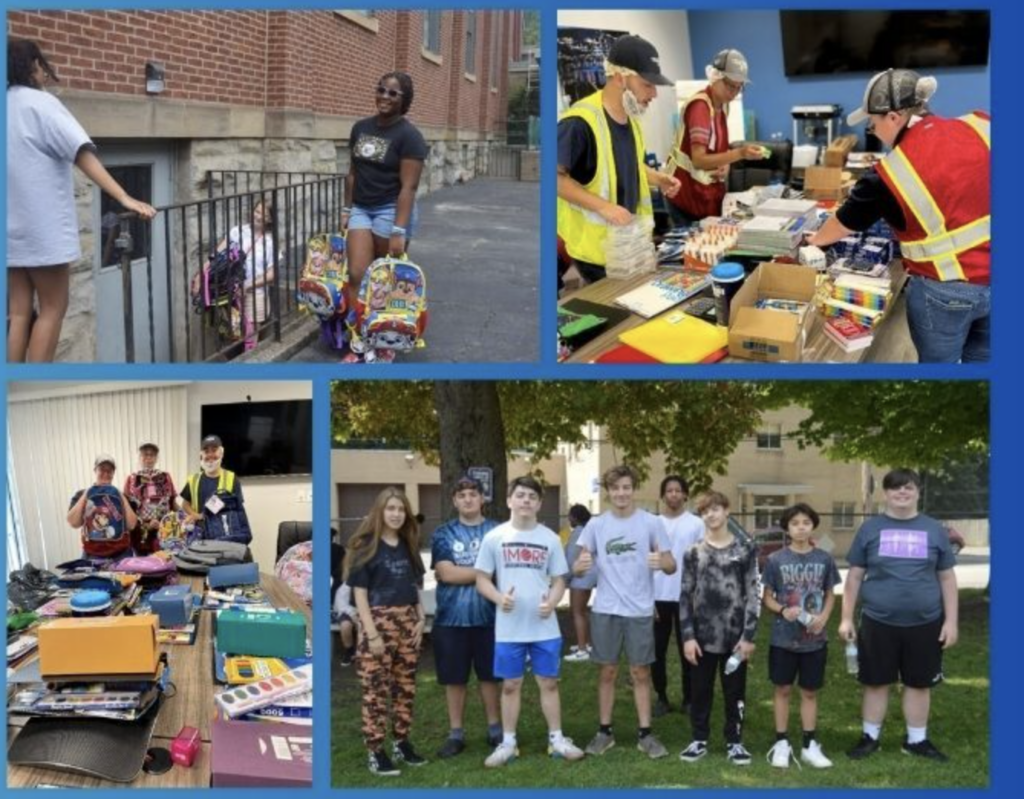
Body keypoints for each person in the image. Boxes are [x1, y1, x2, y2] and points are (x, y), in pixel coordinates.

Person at [806, 69, 990, 363]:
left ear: (894, 116)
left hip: (945, 290)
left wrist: (814, 240)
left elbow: (843, 223)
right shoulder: (981, 124)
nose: (872, 130)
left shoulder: (891, 173)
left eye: (873, 123)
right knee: (983, 367)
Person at [7, 39, 157, 363]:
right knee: (52, 309)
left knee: (18, 314)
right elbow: (81, 152)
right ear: (32, 66)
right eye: (41, 66)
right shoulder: (40, 104)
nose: (45, 74)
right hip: (41, 229)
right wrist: (123, 196)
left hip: (11, 231)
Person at [838, 468, 958, 762]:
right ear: (886, 493)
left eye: (908, 488)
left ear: (918, 492)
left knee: (919, 683)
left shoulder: (934, 530)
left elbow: (946, 578)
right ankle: (870, 737)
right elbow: (854, 577)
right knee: (876, 681)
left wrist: (951, 621)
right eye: (895, 488)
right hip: (878, 621)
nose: (902, 493)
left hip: (926, 622)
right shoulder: (870, 529)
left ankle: (917, 741)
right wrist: (846, 618)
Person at [474, 475, 584, 767]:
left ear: (538, 503)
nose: (526, 500)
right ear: (510, 500)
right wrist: (499, 598)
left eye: (532, 497)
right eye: (520, 495)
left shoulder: (548, 538)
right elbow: (481, 579)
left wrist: (552, 601)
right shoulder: (495, 537)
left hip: (544, 627)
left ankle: (557, 739)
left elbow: (560, 579)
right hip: (509, 628)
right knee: (510, 684)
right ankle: (508, 742)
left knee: (548, 682)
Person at [557, 34, 682, 283]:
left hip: (629, 245)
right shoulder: (579, 123)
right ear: (620, 77)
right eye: (647, 84)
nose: (654, 94)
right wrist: (605, 207)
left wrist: (658, 178)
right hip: (597, 254)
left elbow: (626, 166)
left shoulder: (630, 120)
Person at [573, 464, 676, 760]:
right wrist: (579, 566)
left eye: (626, 487)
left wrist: (663, 563)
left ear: (634, 489)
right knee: (607, 671)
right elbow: (580, 562)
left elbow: (671, 565)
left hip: (640, 610)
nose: (621, 493)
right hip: (605, 609)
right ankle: (604, 732)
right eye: (616, 488)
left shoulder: (651, 523)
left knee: (640, 672)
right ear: (608, 492)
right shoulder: (596, 525)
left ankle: (645, 734)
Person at [342, 71, 428, 363]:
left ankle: (384, 343)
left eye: (393, 93)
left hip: (390, 209)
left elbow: (409, 186)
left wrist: (398, 229)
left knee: (383, 279)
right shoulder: (360, 128)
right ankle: (360, 339)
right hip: (361, 209)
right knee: (356, 274)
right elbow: (353, 172)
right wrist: (346, 209)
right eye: (381, 90)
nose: (385, 96)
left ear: (404, 100)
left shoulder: (410, 136)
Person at [345, 488, 429, 776]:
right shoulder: (365, 546)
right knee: (376, 691)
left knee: (405, 688)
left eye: (401, 509)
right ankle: (376, 750)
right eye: (391, 508)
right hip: (377, 623)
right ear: (380, 511)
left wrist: (421, 620)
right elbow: (359, 595)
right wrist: (372, 635)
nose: (396, 514)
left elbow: (416, 586)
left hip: (408, 623)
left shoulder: (409, 544)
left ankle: (402, 742)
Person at [678, 491, 760, 766]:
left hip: (735, 638)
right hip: (702, 638)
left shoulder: (745, 550)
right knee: (700, 690)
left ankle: (735, 741)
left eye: (715, 509)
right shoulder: (692, 553)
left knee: (734, 692)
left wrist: (748, 637)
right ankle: (699, 739)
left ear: (727, 511)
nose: (711, 515)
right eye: (705, 511)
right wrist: (688, 637)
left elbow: (752, 594)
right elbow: (685, 596)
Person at [762, 503, 841, 769]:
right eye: (795, 523)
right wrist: (783, 610)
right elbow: (767, 598)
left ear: (813, 526)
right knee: (782, 689)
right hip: (783, 638)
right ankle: (781, 742)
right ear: (787, 528)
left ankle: (809, 744)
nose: (800, 527)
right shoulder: (775, 560)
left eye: (806, 522)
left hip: (814, 639)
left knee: (809, 691)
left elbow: (831, 593)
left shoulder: (824, 558)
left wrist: (824, 617)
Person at [430, 475, 503, 758]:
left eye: (473, 494)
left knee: (489, 677)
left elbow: (504, 570)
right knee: (455, 679)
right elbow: (446, 573)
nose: (468, 499)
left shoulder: (497, 531)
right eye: (462, 495)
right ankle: (456, 734)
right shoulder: (443, 533)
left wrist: (466, 573)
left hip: (491, 617)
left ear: (482, 498)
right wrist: (486, 571)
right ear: (454, 501)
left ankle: (495, 729)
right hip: (451, 619)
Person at [664, 48, 767, 227]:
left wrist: (725, 164)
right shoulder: (700, 108)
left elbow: (718, 150)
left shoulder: (722, 106)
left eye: (739, 87)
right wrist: (740, 153)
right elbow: (699, 160)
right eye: (730, 85)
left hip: (706, 195)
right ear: (715, 77)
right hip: (686, 196)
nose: (734, 92)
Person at [196, 198, 279, 351]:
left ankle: (250, 366)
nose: (259, 217)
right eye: (257, 211)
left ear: (270, 220)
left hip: (255, 293)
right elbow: (216, 255)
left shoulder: (270, 241)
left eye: (265, 215)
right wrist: (200, 275)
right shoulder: (237, 231)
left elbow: (272, 274)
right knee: (233, 332)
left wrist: (248, 285)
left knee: (250, 334)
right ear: (252, 211)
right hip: (231, 293)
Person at [652, 475, 704, 718]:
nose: (673, 494)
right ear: (662, 495)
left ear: (685, 495)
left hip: (687, 597)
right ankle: (661, 697)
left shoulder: (696, 524)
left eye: (678, 490)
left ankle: (690, 699)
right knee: (657, 651)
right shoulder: (652, 523)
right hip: (657, 597)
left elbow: (703, 560)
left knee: (689, 650)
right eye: (669, 490)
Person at [180, 435, 251, 544]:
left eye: (214, 450)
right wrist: (195, 515)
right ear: (201, 455)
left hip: (224, 534)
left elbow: (238, 509)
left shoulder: (231, 478)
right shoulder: (193, 479)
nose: (210, 455)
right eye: (206, 451)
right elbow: (185, 504)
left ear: (221, 453)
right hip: (198, 534)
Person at [67, 455, 138, 560]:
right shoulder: (82, 494)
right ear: (95, 470)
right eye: (102, 469)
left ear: (113, 473)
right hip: (92, 554)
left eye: (109, 470)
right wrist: (87, 493)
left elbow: (131, 525)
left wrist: (120, 494)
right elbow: (73, 523)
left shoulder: (121, 496)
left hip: (120, 554)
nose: (105, 473)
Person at [123, 441, 178, 555]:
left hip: (164, 530)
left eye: (152, 455)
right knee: (143, 565)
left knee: (165, 563)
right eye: (145, 454)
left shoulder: (165, 477)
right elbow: (127, 508)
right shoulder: (131, 479)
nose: (148, 458)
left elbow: (172, 502)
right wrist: (145, 525)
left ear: (156, 458)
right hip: (140, 533)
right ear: (139, 457)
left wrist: (183, 517)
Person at [563, 503, 595, 662]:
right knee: (582, 612)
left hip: (580, 578)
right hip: (588, 578)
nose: (568, 518)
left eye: (570, 514)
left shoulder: (578, 533)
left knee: (576, 612)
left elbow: (571, 558)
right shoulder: (589, 531)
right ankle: (586, 644)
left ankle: (582, 650)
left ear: (575, 517)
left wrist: (565, 579)